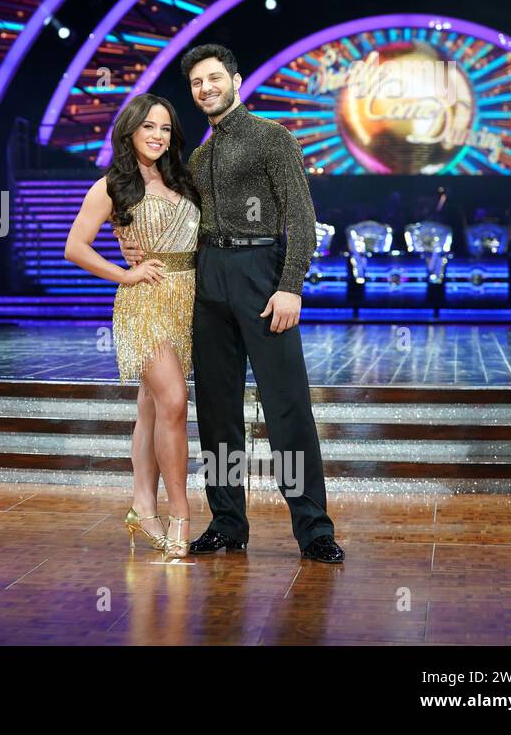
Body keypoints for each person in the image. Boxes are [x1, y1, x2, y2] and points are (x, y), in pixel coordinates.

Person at [117, 43, 345, 564]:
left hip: (262, 274)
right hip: (208, 279)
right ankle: (227, 524)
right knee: (219, 412)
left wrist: (291, 286)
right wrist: (135, 247)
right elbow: (169, 214)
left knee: (287, 406)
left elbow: (302, 221)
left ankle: (314, 531)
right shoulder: (197, 155)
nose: (206, 88)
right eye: (197, 83)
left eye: (214, 78)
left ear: (236, 80)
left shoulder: (273, 139)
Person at [65, 93, 201, 558]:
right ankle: (181, 513)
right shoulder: (112, 185)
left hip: (190, 301)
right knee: (175, 403)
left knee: (151, 410)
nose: (158, 136)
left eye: (165, 128)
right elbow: (75, 246)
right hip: (144, 304)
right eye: (149, 127)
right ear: (129, 132)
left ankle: (142, 507)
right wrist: (124, 273)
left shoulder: (183, 179)